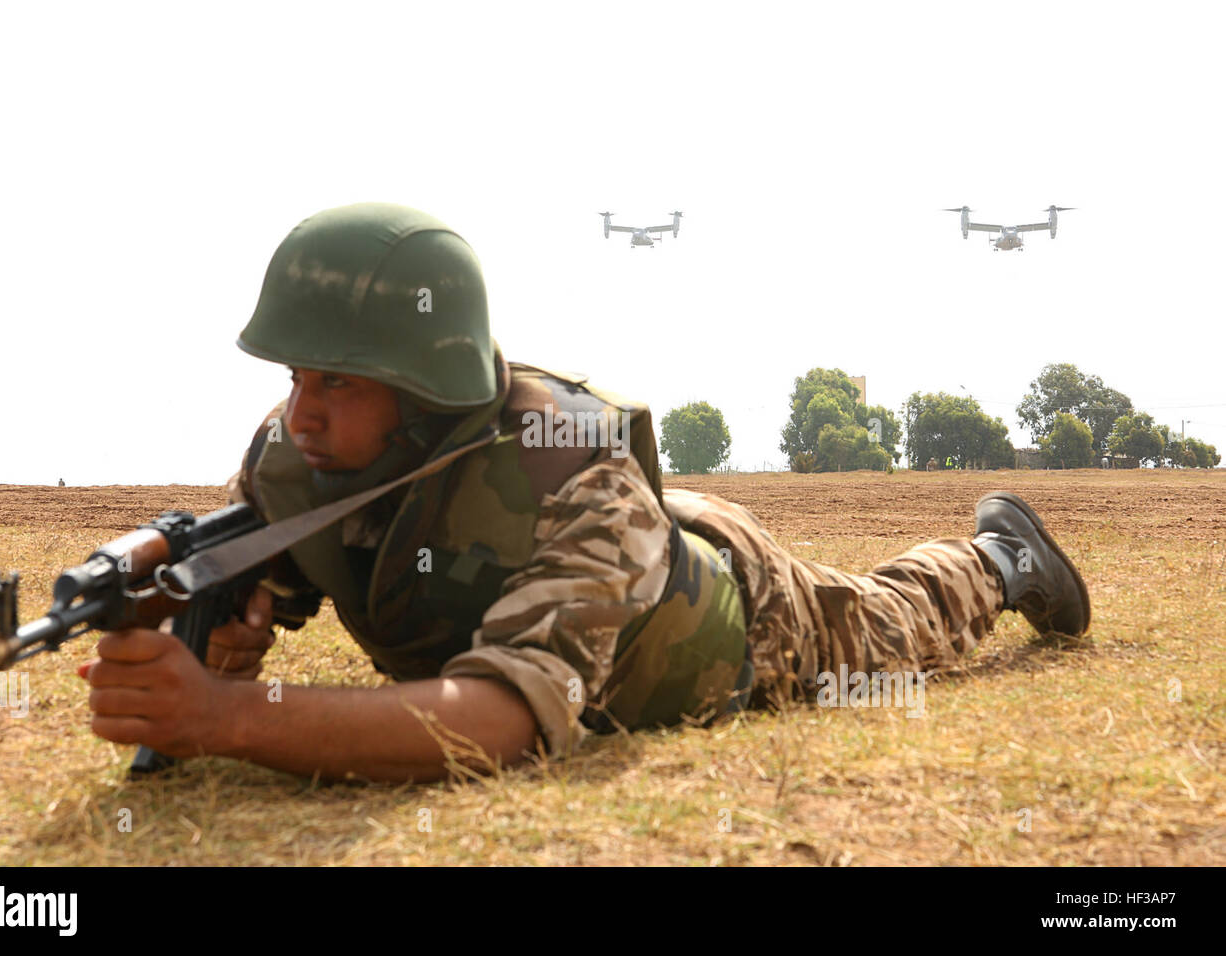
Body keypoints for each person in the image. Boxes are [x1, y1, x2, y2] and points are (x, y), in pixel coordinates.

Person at [81, 204, 1090, 783]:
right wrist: (212, 622)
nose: (299, 413)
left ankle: (1003, 557)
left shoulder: (579, 465)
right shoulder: (301, 455)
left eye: (336, 380)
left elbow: (499, 723)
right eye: (294, 374)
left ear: (426, 386)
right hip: (605, 564)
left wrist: (229, 714)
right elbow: (278, 578)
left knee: (892, 625)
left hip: (738, 620)